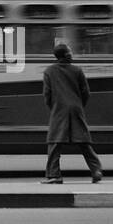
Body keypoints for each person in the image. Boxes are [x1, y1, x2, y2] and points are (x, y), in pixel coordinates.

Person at [41, 44, 104, 184]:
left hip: (59, 109)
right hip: (76, 108)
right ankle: (96, 170)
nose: (72, 53)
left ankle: (54, 175)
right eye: (70, 51)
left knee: (54, 143)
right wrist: (78, 105)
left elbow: (47, 94)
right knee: (83, 142)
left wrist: (54, 107)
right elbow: (86, 92)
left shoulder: (49, 71)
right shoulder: (77, 70)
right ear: (66, 55)